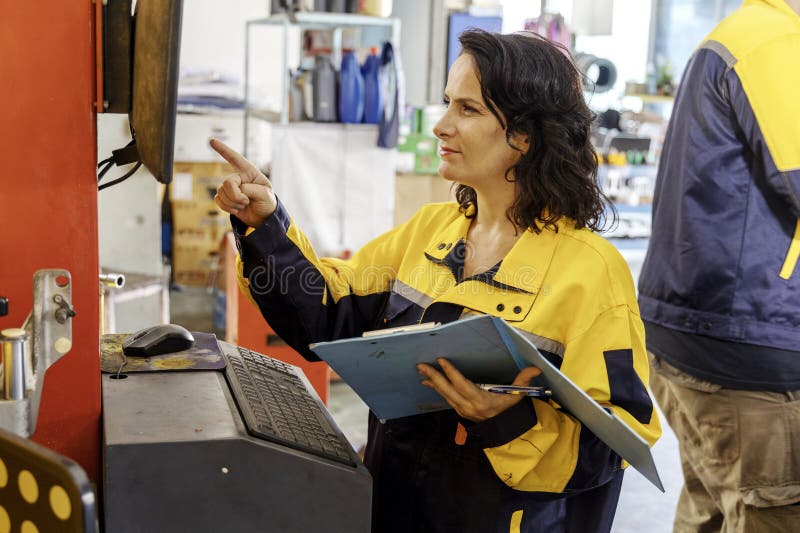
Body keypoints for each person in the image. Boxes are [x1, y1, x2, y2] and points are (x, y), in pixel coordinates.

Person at [212, 29, 661, 533]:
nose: (442, 125)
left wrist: (508, 424)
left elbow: (622, 440)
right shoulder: (429, 231)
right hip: (395, 506)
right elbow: (326, 311)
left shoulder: (591, 273)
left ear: (527, 135)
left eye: (467, 109)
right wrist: (265, 225)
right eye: (447, 103)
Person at [637, 1, 800, 531]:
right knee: (770, 512)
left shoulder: (743, 35)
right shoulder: (774, 42)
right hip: (746, 350)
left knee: (712, 506)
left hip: (698, 334)